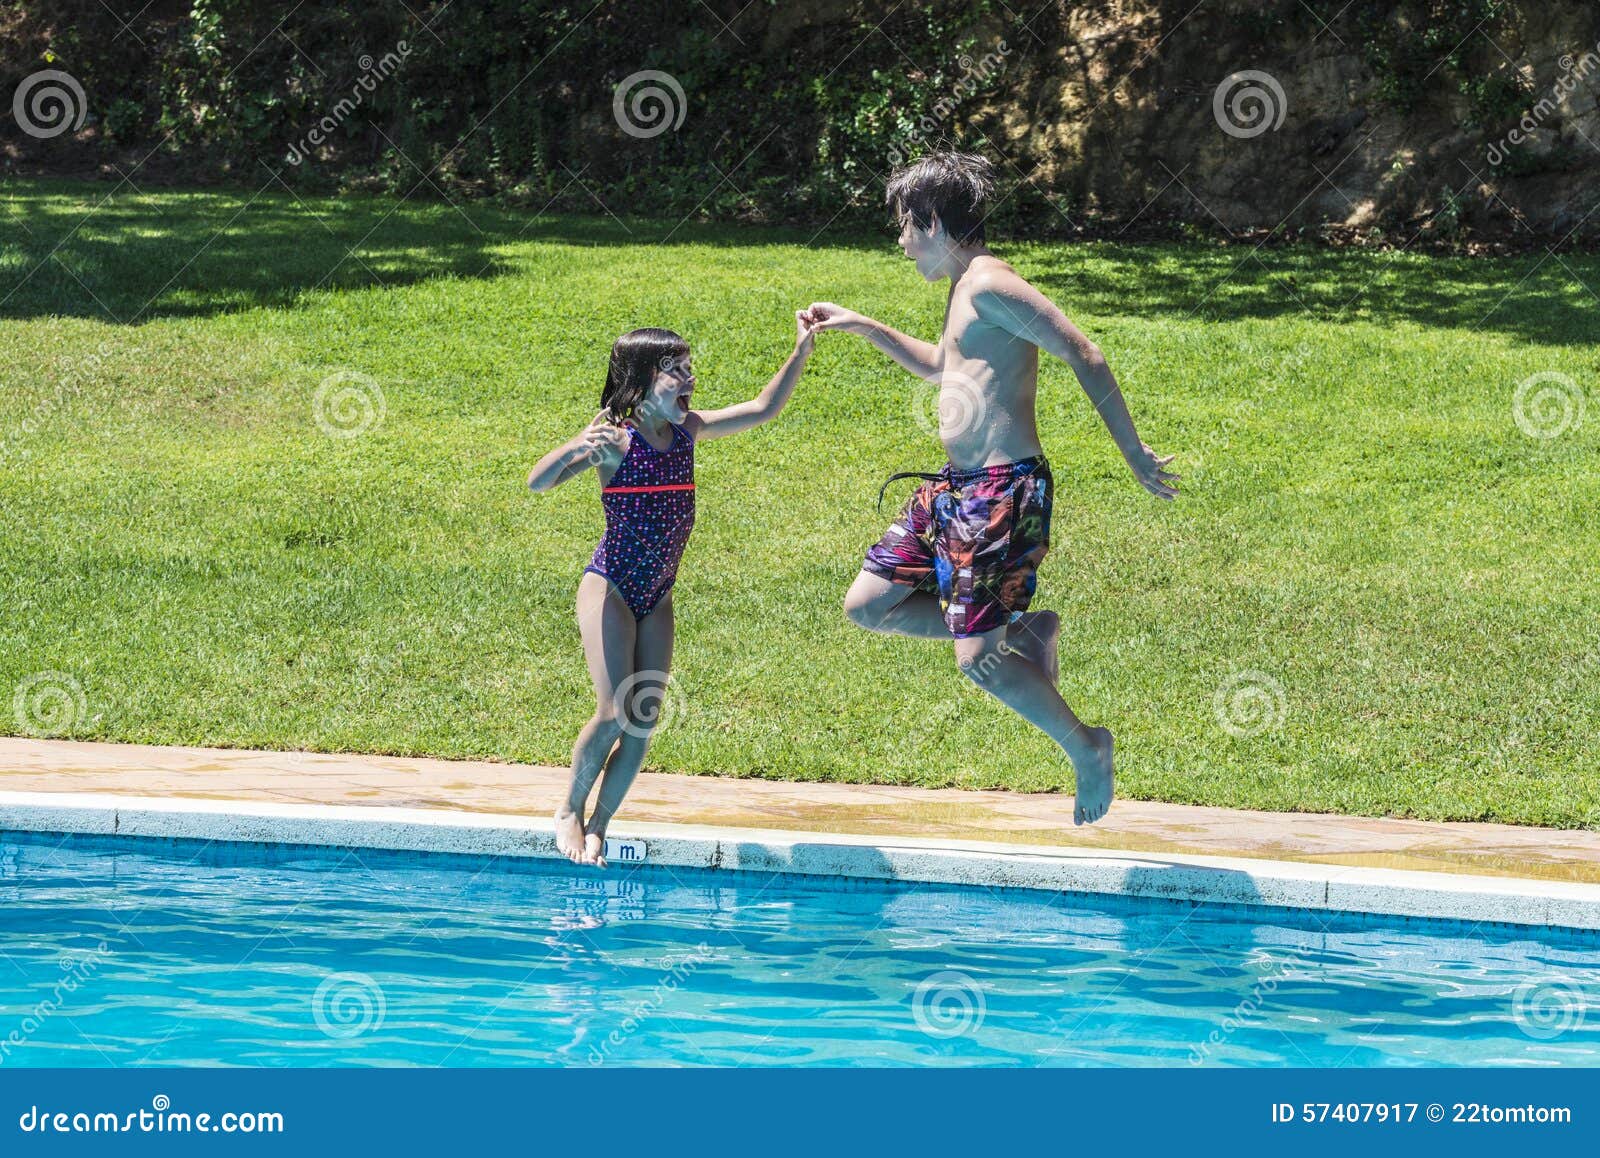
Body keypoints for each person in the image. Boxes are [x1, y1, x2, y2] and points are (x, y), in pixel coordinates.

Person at [803, 151, 1177, 826]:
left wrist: (1133, 452)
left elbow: (1084, 352)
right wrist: (861, 324)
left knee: (977, 660)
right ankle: (1022, 631)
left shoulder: (991, 284)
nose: (900, 240)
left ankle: (1087, 747)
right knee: (869, 604)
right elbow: (939, 364)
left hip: (1002, 494)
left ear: (934, 222)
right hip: (957, 490)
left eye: (904, 225)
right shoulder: (963, 287)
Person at [527, 318, 815, 864]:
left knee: (643, 718)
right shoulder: (615, 443)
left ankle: (600, 824)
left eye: (689, 368)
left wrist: (801, 351)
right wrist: (577, 444)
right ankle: (568, 809)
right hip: (611, 588)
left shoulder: (688, 431)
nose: (690, 379)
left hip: (658, 595)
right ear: (639, 382)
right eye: (675, 371)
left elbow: (763, 408)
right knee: (613, 711)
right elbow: (538, 482)